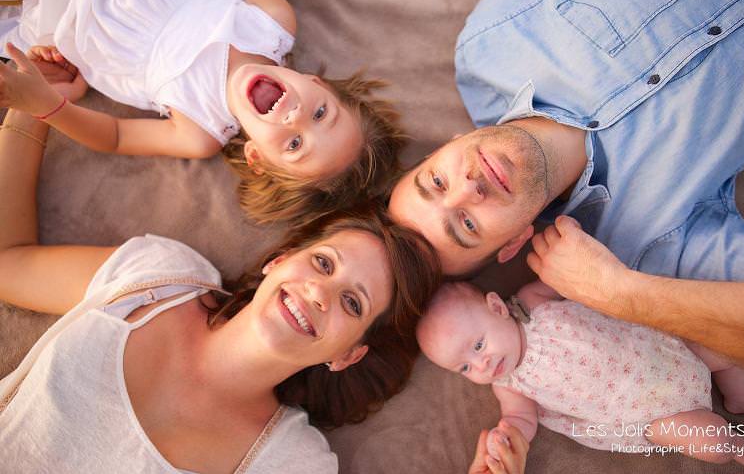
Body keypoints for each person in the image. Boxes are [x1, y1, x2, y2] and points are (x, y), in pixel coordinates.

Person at [0, 105, 441, 473]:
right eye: (323, 263)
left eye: (352, 303)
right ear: (279, 261)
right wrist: (33, 104)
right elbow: (8, 263)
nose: (319, 293)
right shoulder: (161, 274)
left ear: (347, 355)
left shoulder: (291, 463)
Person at [388, 0, 744, 371]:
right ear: (514, 243)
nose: (468, 188)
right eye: (467, 224)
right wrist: (620, 294)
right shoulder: (646, 248)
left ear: (446, 145)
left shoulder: (491, 45)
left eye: (437, 181)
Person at [0, 0, 404, 225]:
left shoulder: (201, 131)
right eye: (320, 114)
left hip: (81, 14)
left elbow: (115, 135)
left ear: (257, 158)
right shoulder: (274, 26)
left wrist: (47, 104)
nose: (294, 116)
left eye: (295, 144)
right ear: (318, 84)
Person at [418, 281, 744, 469]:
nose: (480, 365)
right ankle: (733, 443)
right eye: (464, 367)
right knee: (710, 442)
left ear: (496, 308)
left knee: (729, 345)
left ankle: (742, 396)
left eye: (478, 346)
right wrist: (509, 436)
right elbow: (520, 419)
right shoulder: (510, 385)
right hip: (645, 416)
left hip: (665, 350)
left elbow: (572, 280)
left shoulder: (532, 301)